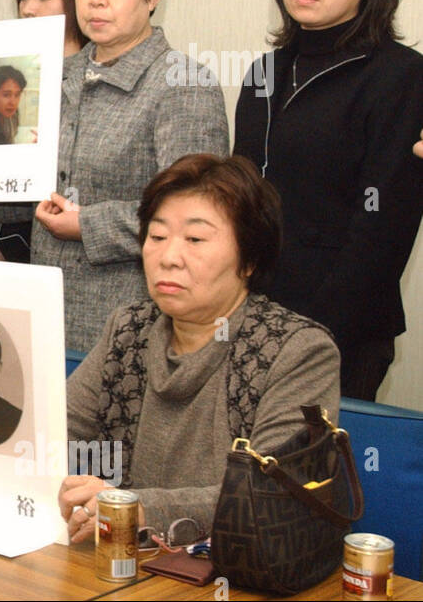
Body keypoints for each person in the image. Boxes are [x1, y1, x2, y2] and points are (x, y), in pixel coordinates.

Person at [53, 153, 340, 539]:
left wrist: (136, 509)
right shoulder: (129, 329)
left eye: (195, 239)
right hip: (125, 563)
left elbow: (276, 492)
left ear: (250, 258)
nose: (168, 257)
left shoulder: (297, 350)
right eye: (156, 237)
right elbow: (59, 434)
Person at [233, 0, 423, 402]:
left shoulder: (401, 77)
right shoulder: (264, 75)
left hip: (342, 332)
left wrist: (309, 337)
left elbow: (381, 232)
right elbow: (238, 202)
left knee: (312, 478)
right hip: (248, 323)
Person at [32, 0, 228, 352]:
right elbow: (24, 183)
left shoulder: (183, 84)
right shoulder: (51, 78)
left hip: (130, 317)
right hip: (42, 309)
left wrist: (87, 224)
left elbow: (197, 213)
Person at [0, 0, 84, 263]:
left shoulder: (96, 80)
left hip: (72, 252)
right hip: (3, 243)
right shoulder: (11, 62)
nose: (27, 8)